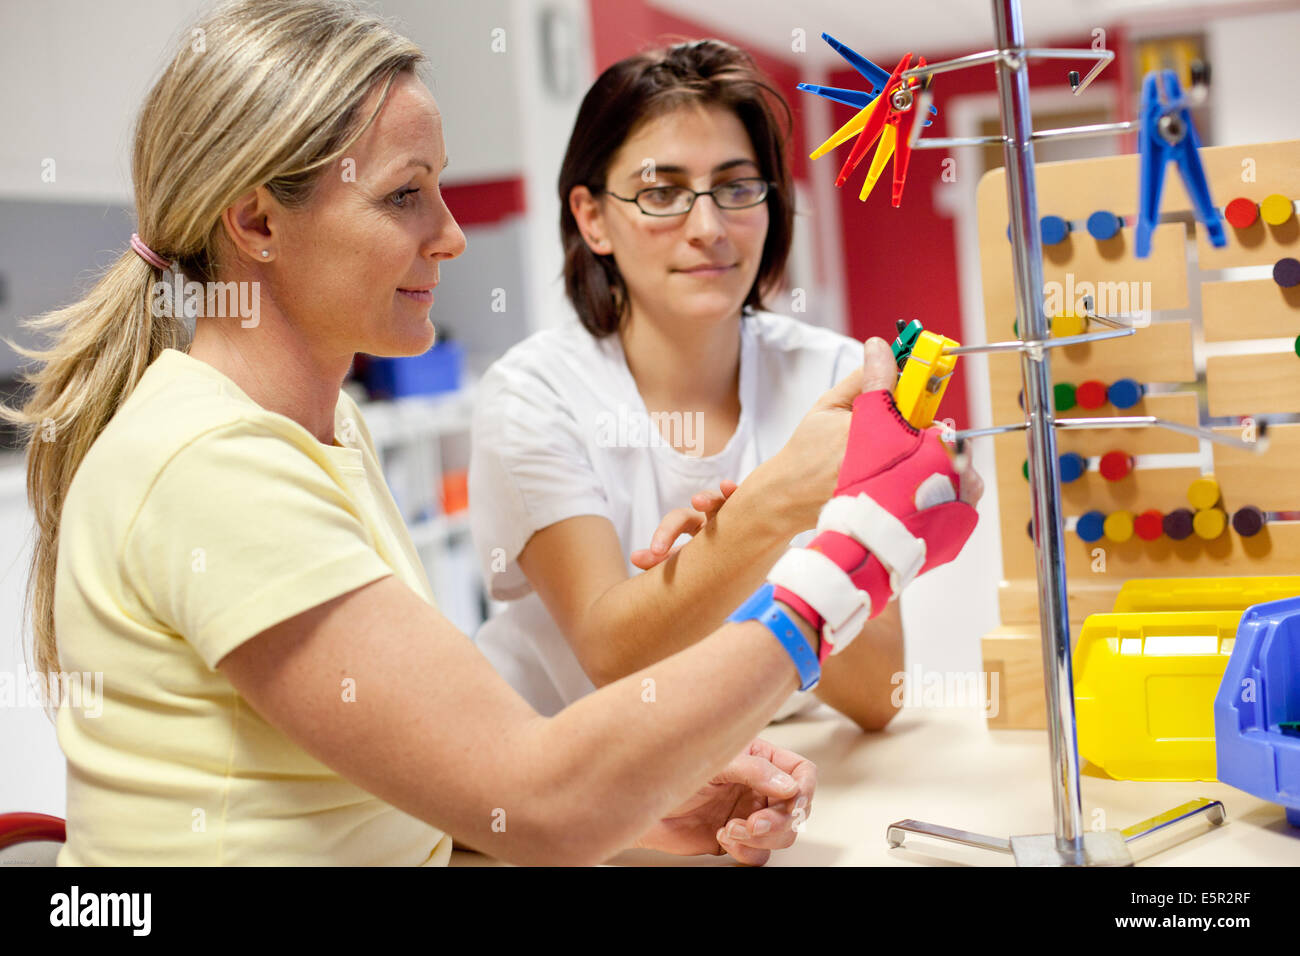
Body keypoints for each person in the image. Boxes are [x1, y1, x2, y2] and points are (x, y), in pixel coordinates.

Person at [3, 0, 975, 867]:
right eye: (402, 194)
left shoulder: (320, 425)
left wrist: (640, 808)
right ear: (257, 220)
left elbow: (411, 796)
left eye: (736, 187)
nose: (452, 233)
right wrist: (853, 555)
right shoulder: (211, 465)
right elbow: (539, 798)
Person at [470, 40, 983, 729]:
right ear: (593, 218)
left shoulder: (831, 377)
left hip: (773, 768)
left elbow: (878, 694)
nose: (708, 228)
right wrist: (771, 514)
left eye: (737, 188)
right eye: (662, 192)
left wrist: (734, 554)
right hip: (569, 789)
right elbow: (614, 657)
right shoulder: (533, 398)